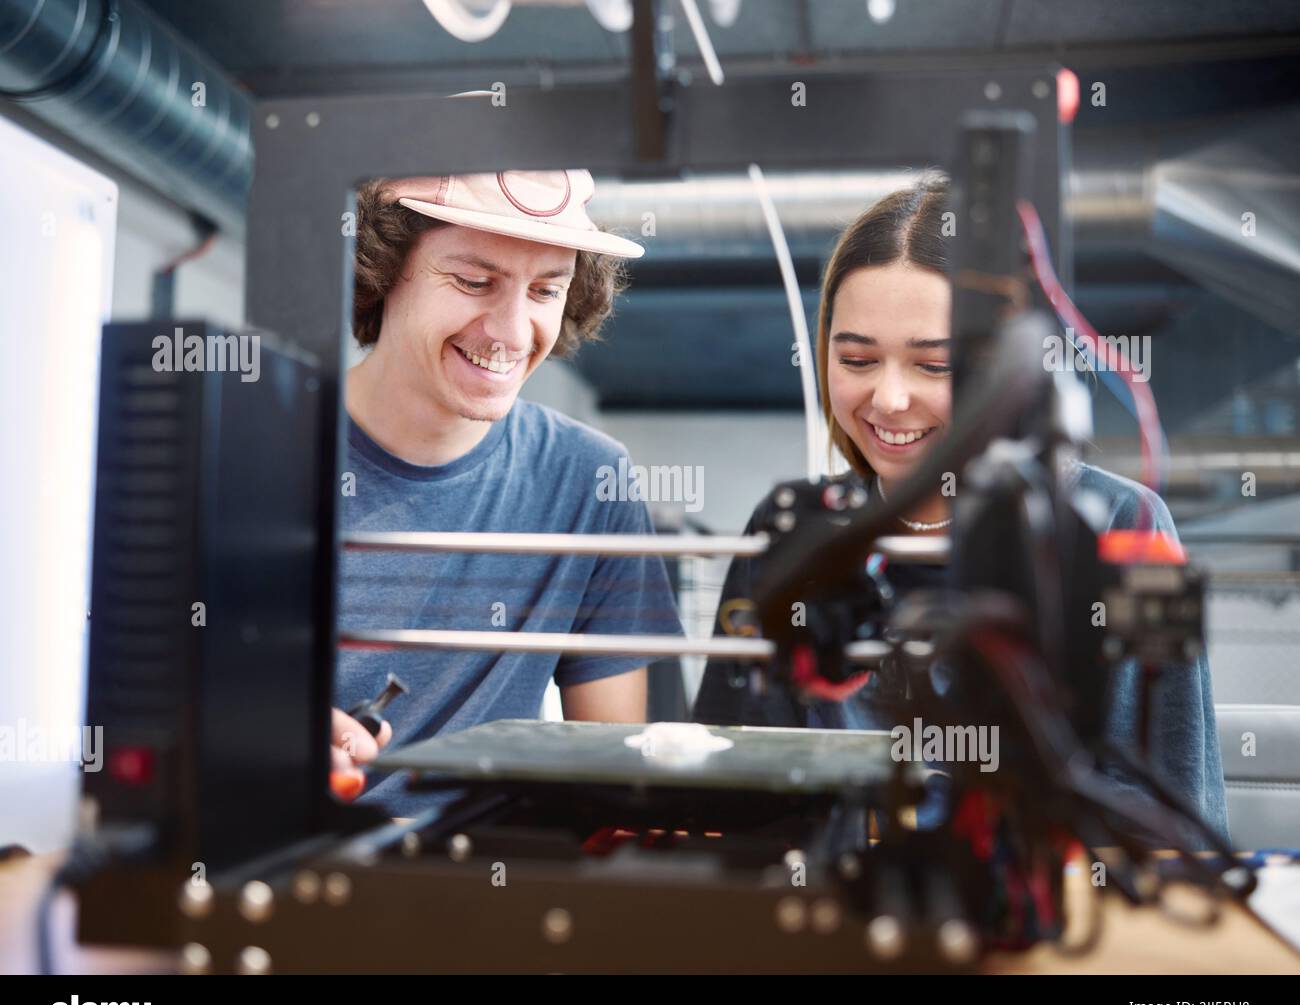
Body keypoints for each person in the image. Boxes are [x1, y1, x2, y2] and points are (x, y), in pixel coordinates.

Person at [692, 176, 1230, 845]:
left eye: (934, 365)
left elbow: (1175, 820)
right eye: (857, 357)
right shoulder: (795, 534)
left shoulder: (1131, 528)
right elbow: (727, 801)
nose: (888, 399)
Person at [332, 169, 683, 815]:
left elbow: (613, 770)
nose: (514, 332)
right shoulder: (259, 450)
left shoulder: (589, 479)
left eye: (546, 289)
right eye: (473, 282)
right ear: (381, 267)